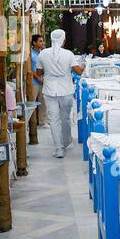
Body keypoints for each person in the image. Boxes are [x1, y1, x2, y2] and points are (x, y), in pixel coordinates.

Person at [35, 28, 84, 158]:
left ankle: (59, 149)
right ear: (63, 40)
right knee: (65, 118)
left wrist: (49, 71)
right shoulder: (68, 54)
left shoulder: (43, 54)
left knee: (54, 120)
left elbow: (39, 72)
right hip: (66, 89)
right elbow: (78, 71)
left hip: (49, 89)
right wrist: (84, 65)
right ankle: (67, 142)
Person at [27, 33, 46, 131]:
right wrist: (37, 77)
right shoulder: (31, 53)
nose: (42, 43)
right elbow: (30, 67)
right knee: (32, 102)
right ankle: (29, 123)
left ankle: (42, 121)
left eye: (42, 41)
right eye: (40, 41)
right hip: (34, 81)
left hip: (43, 80)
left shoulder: (43, 53)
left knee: (43, 102)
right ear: (34, 43)